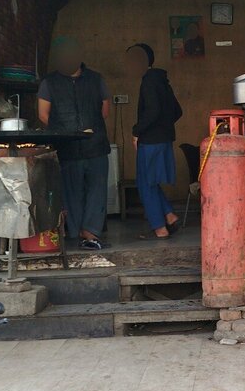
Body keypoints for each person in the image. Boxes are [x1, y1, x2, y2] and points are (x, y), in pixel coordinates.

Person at [38, 36, 111, 250]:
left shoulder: (96, 79)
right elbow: (44, 116)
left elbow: (105, 111)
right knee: (73, 191)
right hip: (68, 147)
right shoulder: (49, 82)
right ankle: (77, 233)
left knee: (96, 190)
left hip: (95, 144)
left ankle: (90, 233)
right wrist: (65, 132)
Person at [125, 43, 183, 240]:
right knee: (151, 182)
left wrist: (137, 131)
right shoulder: (161, 80)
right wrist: (163, 128)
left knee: (145, 184)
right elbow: (177, 111)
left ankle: (160, 228)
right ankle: (170, 216)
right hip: (163, 139)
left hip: (150, 142)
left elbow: (152, 111)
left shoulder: (148, 82)